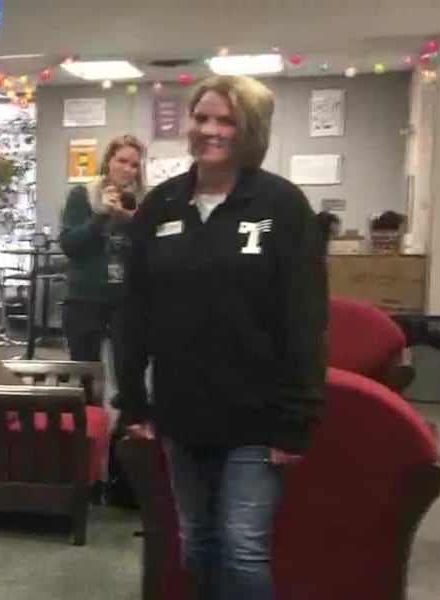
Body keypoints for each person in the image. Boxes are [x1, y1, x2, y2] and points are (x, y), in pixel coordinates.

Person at [117, 75, 328, 600]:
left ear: (250, 130)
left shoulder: (281, 205)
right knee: (196, 539)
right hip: (181, 410)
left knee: (242, 547)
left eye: (226, 121)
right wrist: (133, 400)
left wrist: (297, 417)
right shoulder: (162, 204)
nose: (210, 130)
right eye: (202, 117)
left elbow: (305, 316)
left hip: (257, 414)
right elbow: (135, 310)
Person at [58, 134, 146, 363]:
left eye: (134, 165)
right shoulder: (83, 195)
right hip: (85, 299)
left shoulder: (142, 201)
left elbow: (149, 250)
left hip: (126, 300)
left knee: (128, 370)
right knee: (86, 371)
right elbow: (69, 245)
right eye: (121, 161)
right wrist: (101, 215)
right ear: (108, 161)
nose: (127, 169)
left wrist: (134, 221)